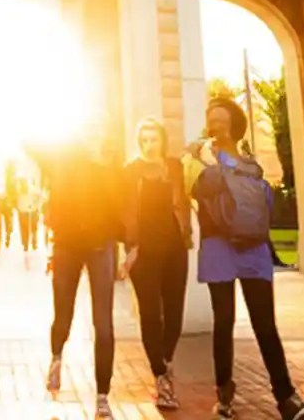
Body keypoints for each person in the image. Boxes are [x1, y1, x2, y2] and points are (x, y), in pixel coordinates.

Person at [184, 98, 304, 420]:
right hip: (219, 246)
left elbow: (265, 199)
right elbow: (198, 189)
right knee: (224, 322)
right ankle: (224, 394)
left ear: (233, 124)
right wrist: (201, 156)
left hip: (253, 249)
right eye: (211, 119)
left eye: (221, 119)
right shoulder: (197, 158)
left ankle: (286, 397)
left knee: (265, 324)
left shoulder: (250, 161)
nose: (216, 125)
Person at [38, 123, 126, 420]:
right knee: (63, 313)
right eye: (89, 134)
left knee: (104, 322)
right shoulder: (62, 165)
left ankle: (102, 396)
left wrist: (131, 246)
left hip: (101, 247)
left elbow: (122, 210)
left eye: (98, 134)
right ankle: (56, 356)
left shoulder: (113, 170)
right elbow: (30, 142)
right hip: (66, 247)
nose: (94, 139)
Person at [119, 117, 190, 411]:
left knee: (174, 313)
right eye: (145, 139)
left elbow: (187, 196)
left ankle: (166, 361)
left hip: (175, 249)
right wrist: (130, 249)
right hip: (144, 253)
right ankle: (161, 377)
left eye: (154, 138)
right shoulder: (130, 172)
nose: (150, 144)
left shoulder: (175, 167)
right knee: (151, 315)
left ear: (162, 140)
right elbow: (124, 212)